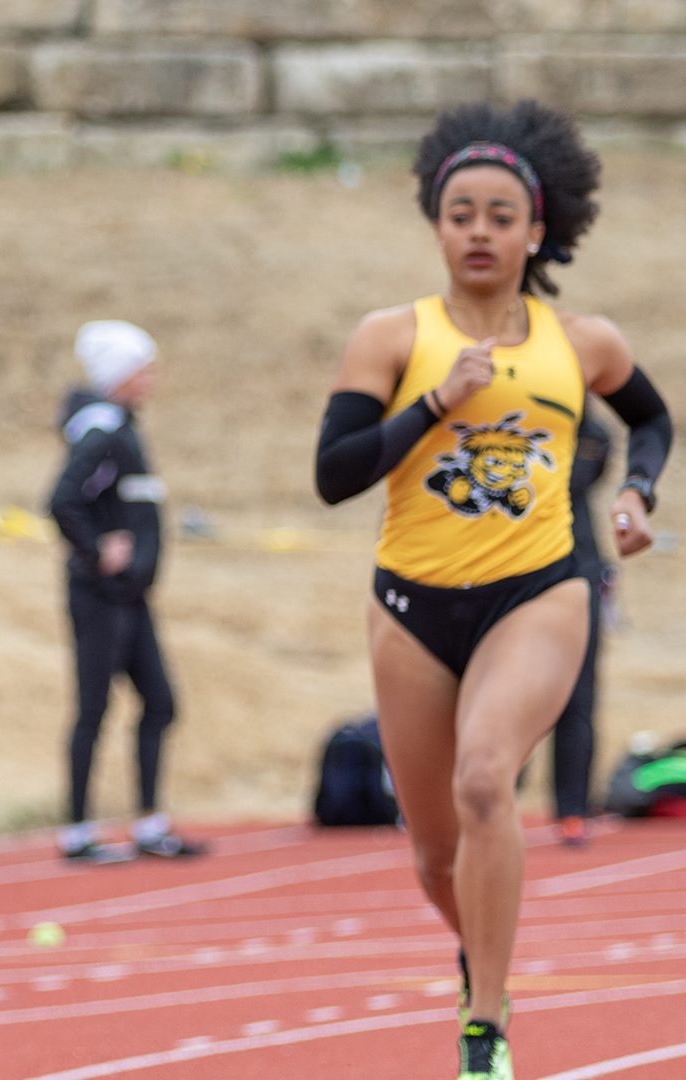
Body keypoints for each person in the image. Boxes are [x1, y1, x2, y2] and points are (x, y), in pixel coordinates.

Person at [314, 101, 670, 1080]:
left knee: (485, 779)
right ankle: (483, 949)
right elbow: (334, 475)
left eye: (500, 215)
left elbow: (653, 419)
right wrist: (435, 404)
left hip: (539, 591)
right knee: (435, 852)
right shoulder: (392, 338)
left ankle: (485, 1023)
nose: (479, 230)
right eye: (460, 211)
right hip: (412, 606)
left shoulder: (581, 342)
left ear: (537, 230)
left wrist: (638, 493)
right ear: (437, 224)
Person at [47, 321, 202, 862]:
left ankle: (149, 822)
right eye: (144, 369)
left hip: (132, 597)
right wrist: (95, 551)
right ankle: (78, 830)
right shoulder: (103, 433)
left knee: (160, 702)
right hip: (100, 597)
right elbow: (62, 499)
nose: (153, 379)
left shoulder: (124, 429)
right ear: (120, 375)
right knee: (93, 709)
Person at [548, 405, 611, 845]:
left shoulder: (587, 425)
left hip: (577, 566)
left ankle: (573, 810)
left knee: (579, 697)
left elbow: (575, 480)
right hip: (503, 573)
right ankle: (493, 802)